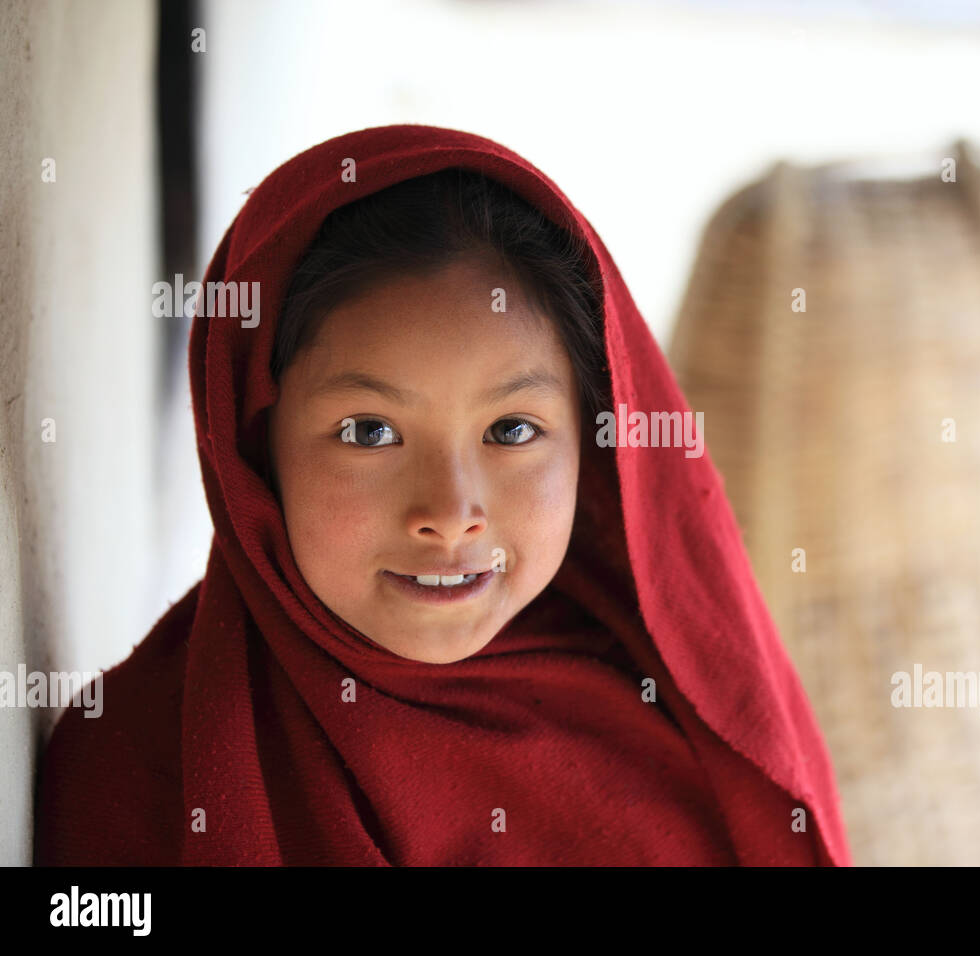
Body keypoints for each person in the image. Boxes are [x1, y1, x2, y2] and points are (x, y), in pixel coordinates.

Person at [34, 124, 851, 866]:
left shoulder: (665, 737)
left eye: (512, 431)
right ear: (253, 446)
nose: (452, 510)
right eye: (368, 432)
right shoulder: (141, 764)